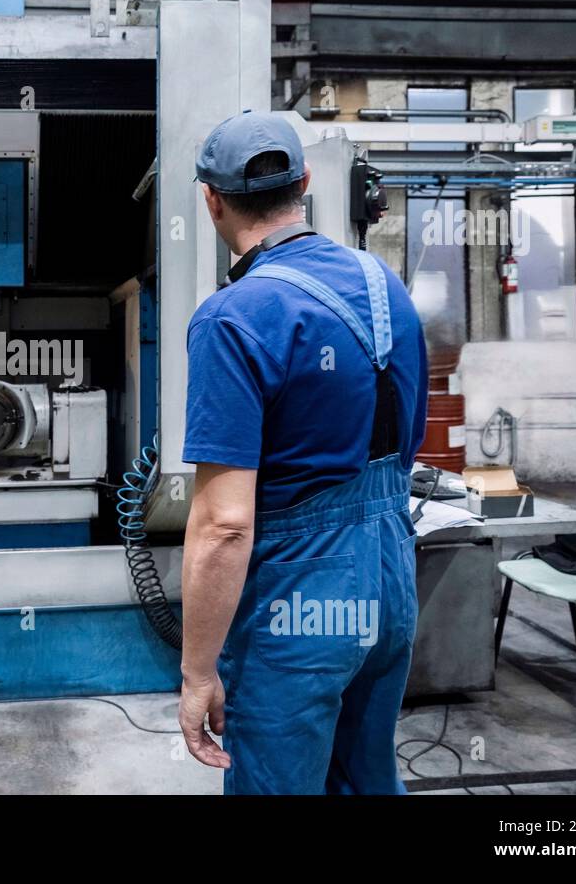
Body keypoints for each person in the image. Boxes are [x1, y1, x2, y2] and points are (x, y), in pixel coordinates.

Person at [176, 111, 429, 794]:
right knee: (366, 779)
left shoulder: (233, 317)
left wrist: (198, 673)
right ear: (306, 184)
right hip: (390, 581)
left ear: (211, 200)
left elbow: (225, 524)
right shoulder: (388, 289)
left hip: (301, 597)